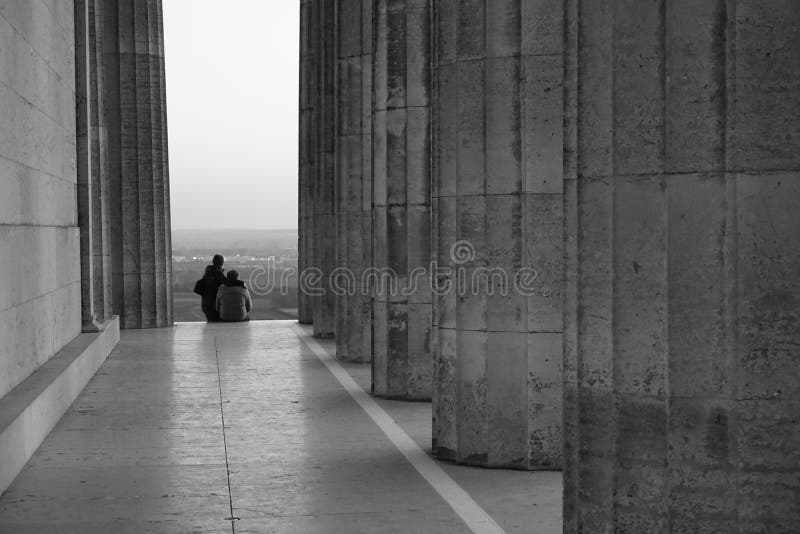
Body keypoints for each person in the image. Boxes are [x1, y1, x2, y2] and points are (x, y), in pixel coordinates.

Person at [196, 254, 227, 322]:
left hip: (206, 303)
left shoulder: (208, 273)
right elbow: (226, 285)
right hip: (215, 305)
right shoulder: (219, 275)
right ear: (222, 263)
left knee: (211, 322)